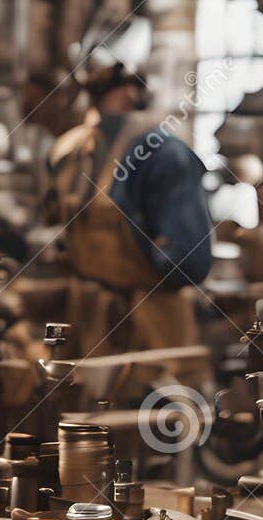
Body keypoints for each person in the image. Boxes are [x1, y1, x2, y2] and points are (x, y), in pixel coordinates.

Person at [45, 61, 213, 357]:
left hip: (91, 328)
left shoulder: (67, 150)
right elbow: (189, 261)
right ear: (130, 95)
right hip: (147, 334)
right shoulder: (164, 154)